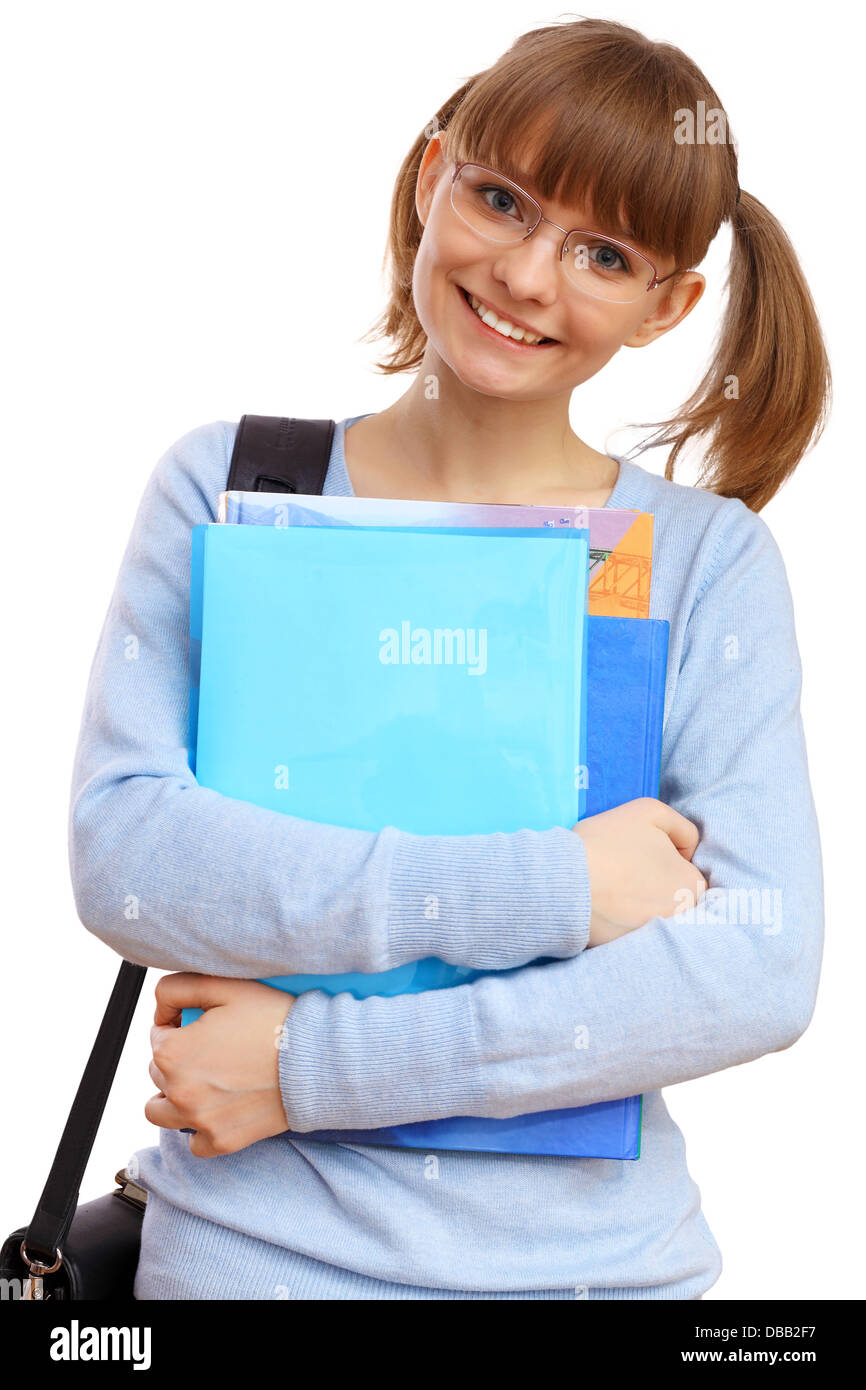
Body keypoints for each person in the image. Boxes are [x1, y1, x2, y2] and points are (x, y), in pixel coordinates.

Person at [68, 17, 828, 1299]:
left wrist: (315, 1067)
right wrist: (555, 891)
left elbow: (755, 962)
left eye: (603, 253)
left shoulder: (704, 563)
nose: (529, 277)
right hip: (257, 1263)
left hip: (604, 1278)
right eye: (499, 199)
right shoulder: (235, 487)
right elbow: (131, 858)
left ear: (667, 305)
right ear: (431, 179)